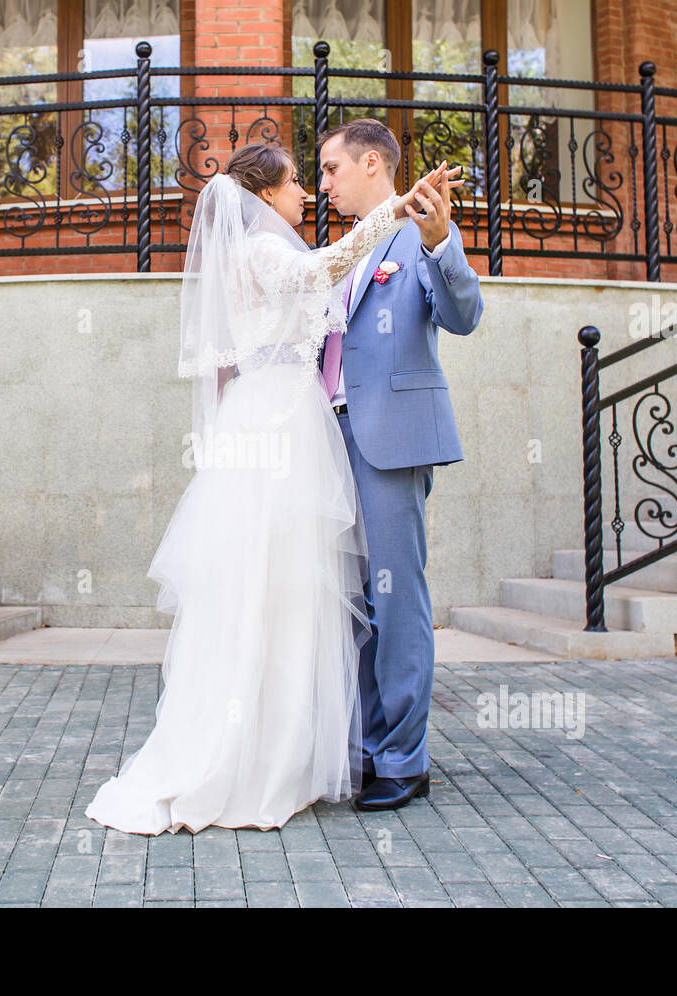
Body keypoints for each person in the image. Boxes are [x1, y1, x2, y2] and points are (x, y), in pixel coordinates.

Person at [83, 143, 453, 834]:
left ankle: (311, 747)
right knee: (272, 586)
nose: (308, 191)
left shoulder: (260, 253)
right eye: (295, 182)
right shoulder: (262, 252)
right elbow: (321, 269)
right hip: (282, 426)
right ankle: (260, 754)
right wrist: (393, 212)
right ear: (262, 193)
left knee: (293, 589)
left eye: (319, 175)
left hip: (288, 422)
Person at [315, 118, 483, 811]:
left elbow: (465, 313)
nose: (324, 182)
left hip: (391, 440)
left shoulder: (423, 236)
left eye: (331, 168)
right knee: (353, 601)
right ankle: (362, 746)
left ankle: (404, 758)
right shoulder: (343, 250)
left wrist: (444, 242)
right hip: (332, 441)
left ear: (374, 163)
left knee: (396, 598)